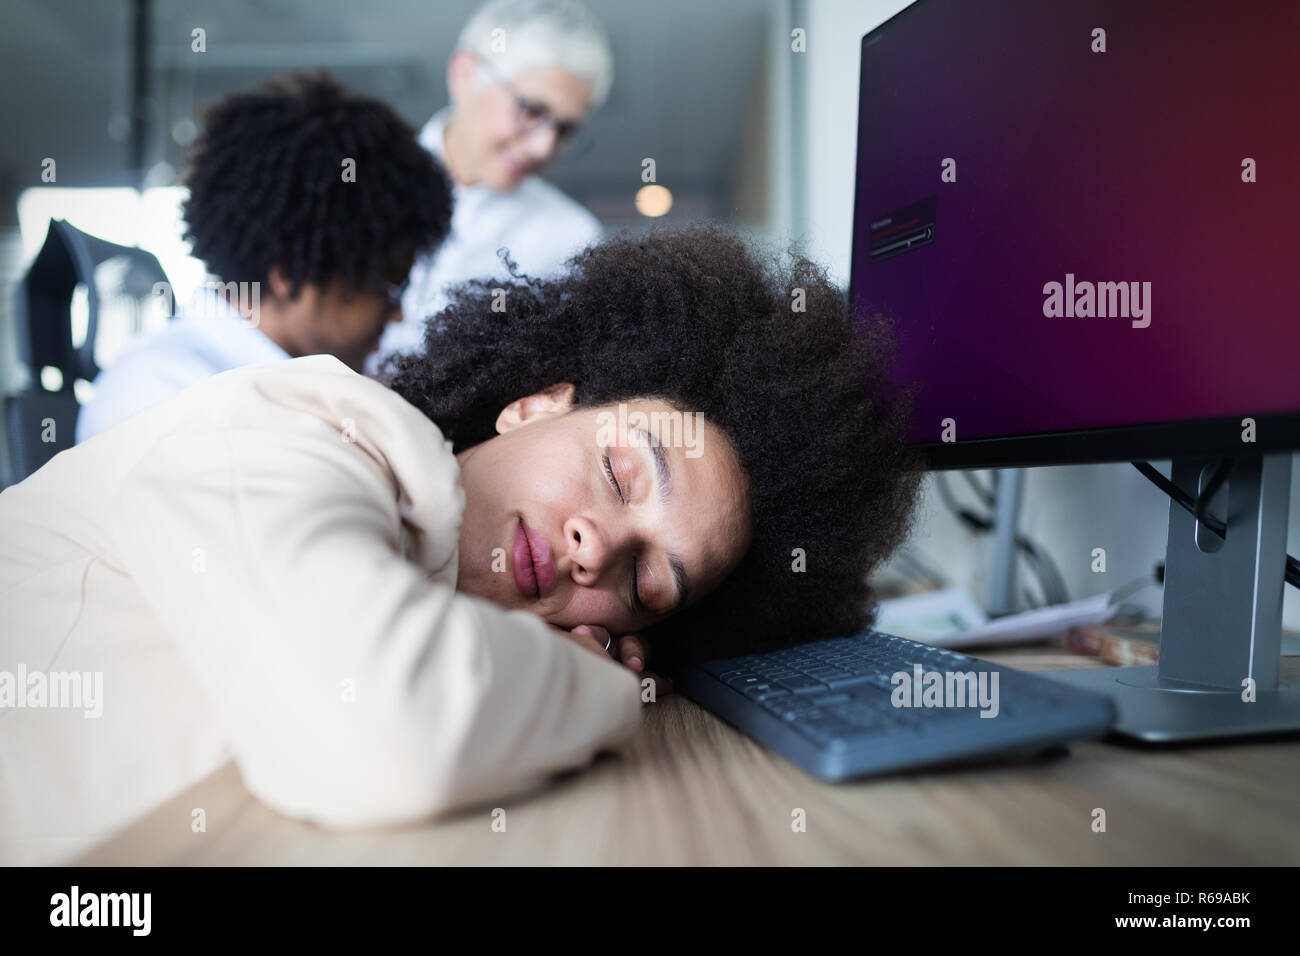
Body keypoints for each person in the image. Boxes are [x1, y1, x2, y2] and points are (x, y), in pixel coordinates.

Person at [0, 224, 921, 864]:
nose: (597, 552)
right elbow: (384, 731)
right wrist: (607, 686)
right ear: (534, 403)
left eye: (647, 581)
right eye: (620, 474)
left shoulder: (433, 588)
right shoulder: (303, 430)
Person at [75, 72, 454, 443]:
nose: (399, 313)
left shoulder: (311, 387)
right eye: (390, 284)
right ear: (292, 272)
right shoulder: (161, 395)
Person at [374, 0, 611, 359]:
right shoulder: (363, 185)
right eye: (532, 110)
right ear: (465, 74)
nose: (543, 147)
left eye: (565, 130)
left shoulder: (572, 240)